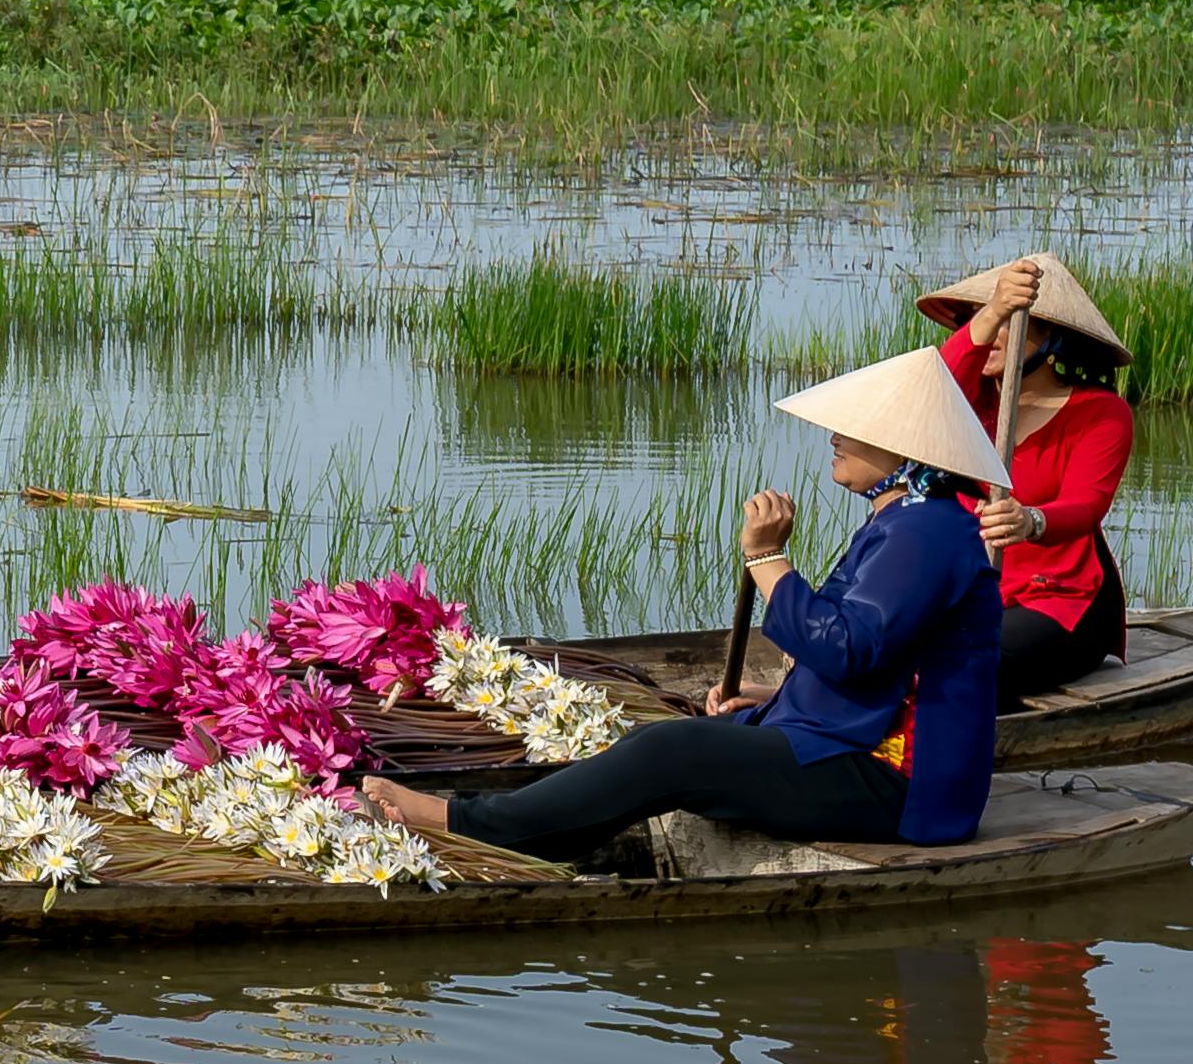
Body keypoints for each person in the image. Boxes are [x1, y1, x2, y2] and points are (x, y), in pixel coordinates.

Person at [365, 346, 1003, 869]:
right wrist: (774, 695)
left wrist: (766, 559)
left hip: (900, 787)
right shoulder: (905, 524)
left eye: (856, 429)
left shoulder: (927, 533)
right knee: (656, 745)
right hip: (851, 748)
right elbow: (875, 657)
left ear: (907, 449)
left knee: (669, 754)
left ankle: (463, 822)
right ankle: (529, 835)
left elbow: (848, 646)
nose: (833, 437)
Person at [921, 252, 1132, 704]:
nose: (988, 336)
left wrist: (1030, 521)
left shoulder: (1100, 413)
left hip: (1061, 598)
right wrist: (995, 309)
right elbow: (936, 391)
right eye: (975, 322)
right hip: (969, 588)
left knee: (954, 665)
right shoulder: (968, 404)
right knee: (873, 649)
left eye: (1006, 325)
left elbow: (1086, 504)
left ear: (1050, 337)